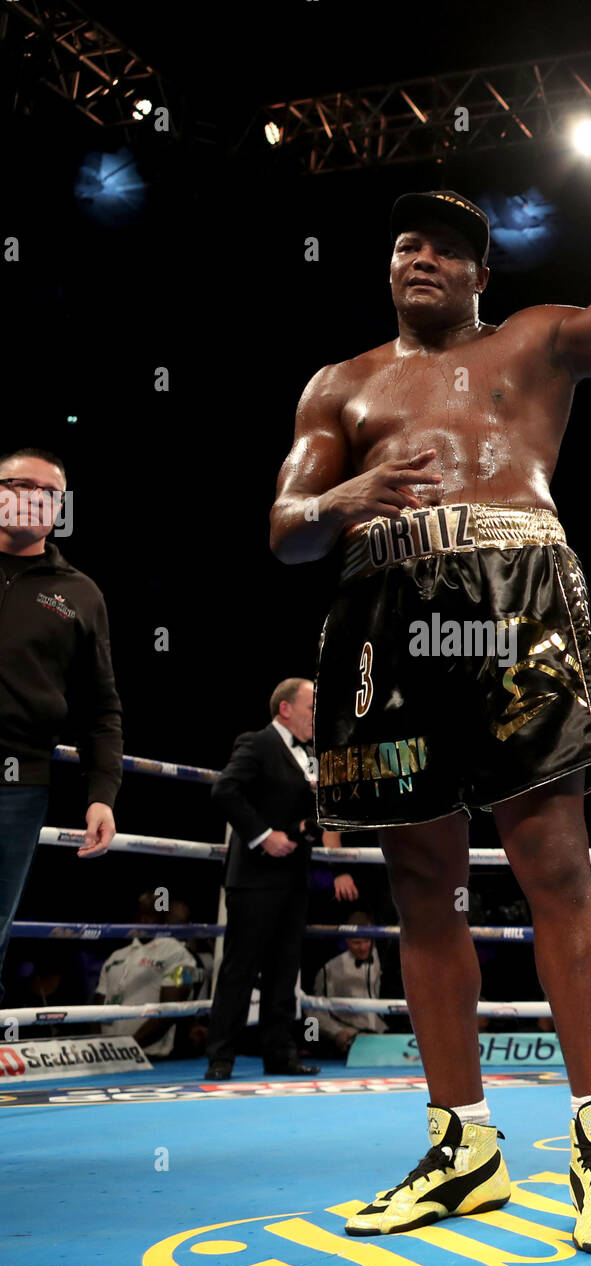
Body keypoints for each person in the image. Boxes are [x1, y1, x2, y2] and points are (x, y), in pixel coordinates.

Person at [270, 83, 591, 1252]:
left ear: (480, 276)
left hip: (515, 598)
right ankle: (462, 1142)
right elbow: (284, 527)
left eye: (447, 247)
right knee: (423, 882)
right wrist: (343, 495)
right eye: (406, 242)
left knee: (551, 861)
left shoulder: (542, 339)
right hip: (382, 613)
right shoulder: (341, 383)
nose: (421, 256)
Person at [0, 447, 122, 1004]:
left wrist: (101, 795)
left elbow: (100, 710)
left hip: (17, 782)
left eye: (45, 492)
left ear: (58, 508)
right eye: (15, 484)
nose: (28, 498)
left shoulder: (79, 595)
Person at [206, 678, 358, 1078]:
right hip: (254, 878)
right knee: (241, 967)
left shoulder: (309, 755)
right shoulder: (256, 743)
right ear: (286, 709)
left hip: (294, 878)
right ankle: (221, 1056)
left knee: (284, 970)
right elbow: (224, 791)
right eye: (311, 708)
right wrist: (263, 835)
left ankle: (280, 1053)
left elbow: (315, 815)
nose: (317, 717)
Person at [93, 892, 203, 1058]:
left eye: (152, 915)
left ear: (164, 918)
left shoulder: (183, 956)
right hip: (109, 1054)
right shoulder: (116, 956)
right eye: (141, 914)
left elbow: (171, 1010)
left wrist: (129, 1049)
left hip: (156, 1057)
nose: (145, 921)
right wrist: (97, 1047)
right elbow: (97, 1006)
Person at [311, 908, 388, 1057]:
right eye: (356, 942)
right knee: (311, 1036)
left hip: (386, 1036)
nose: (363, 947)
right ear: (346, 940)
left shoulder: (386, 962)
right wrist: (335, 1032)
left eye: (367, 941)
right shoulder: (330, 968)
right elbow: (313, 1011)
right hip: (350, 1038)